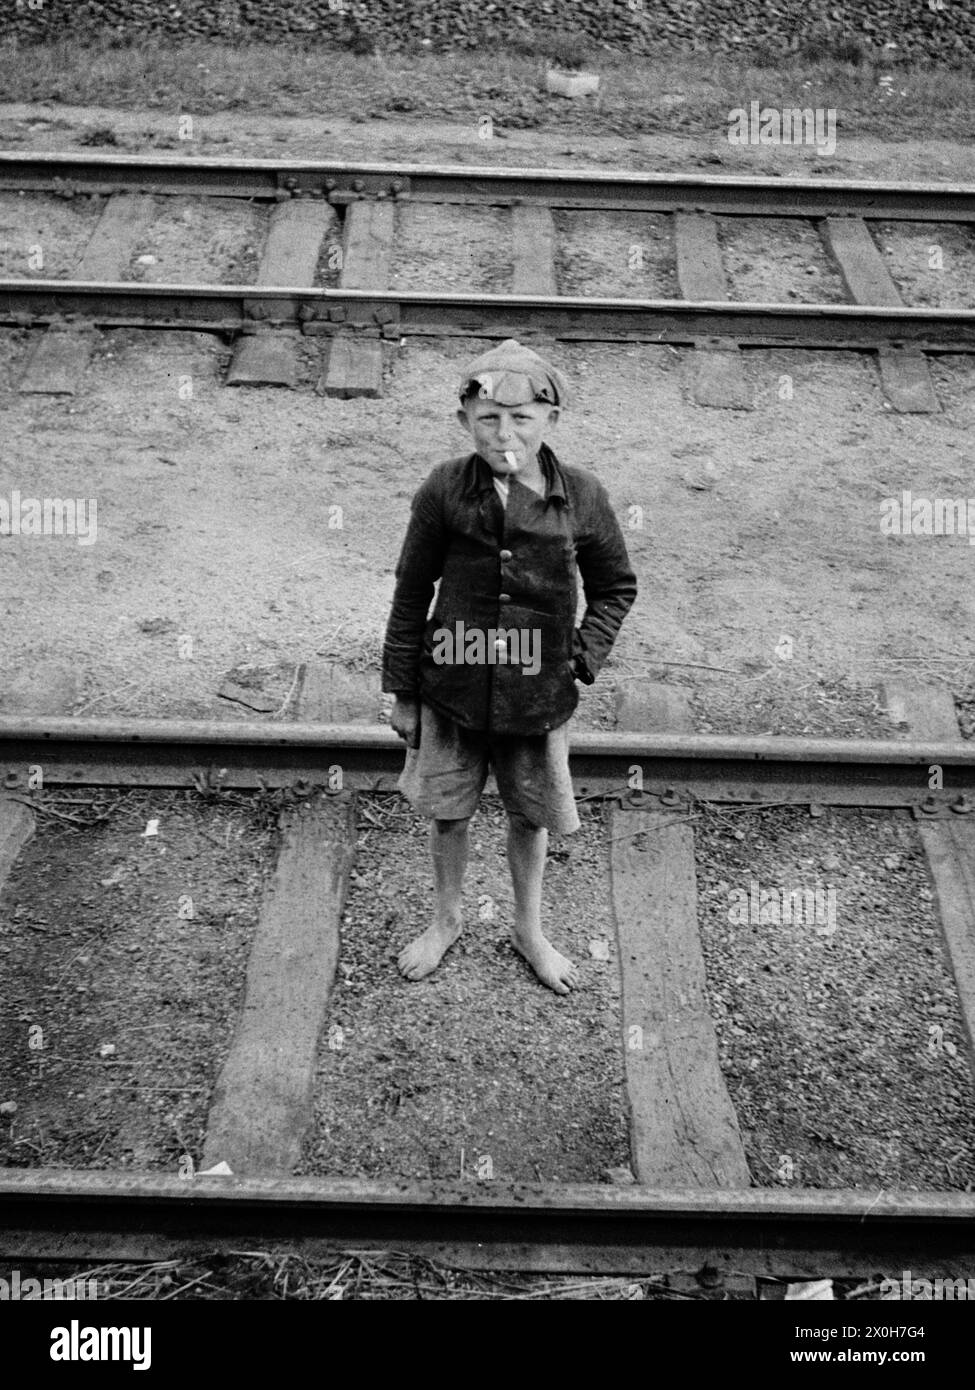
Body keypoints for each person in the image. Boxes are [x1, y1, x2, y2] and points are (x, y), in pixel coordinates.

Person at [381, 339, 636, 993]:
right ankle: (446, 919)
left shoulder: (580, 495)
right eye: (487, 418)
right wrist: (402, 691)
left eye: (521, 419)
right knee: (448, 811)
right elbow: (411, 593)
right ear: (466, 420)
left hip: (536, 700)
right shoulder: (442, 488)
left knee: (529, 817)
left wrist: (580, 656)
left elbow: (615, 587)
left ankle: (528, 928)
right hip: (453, 687)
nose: (503, 434)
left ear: (549, 421)